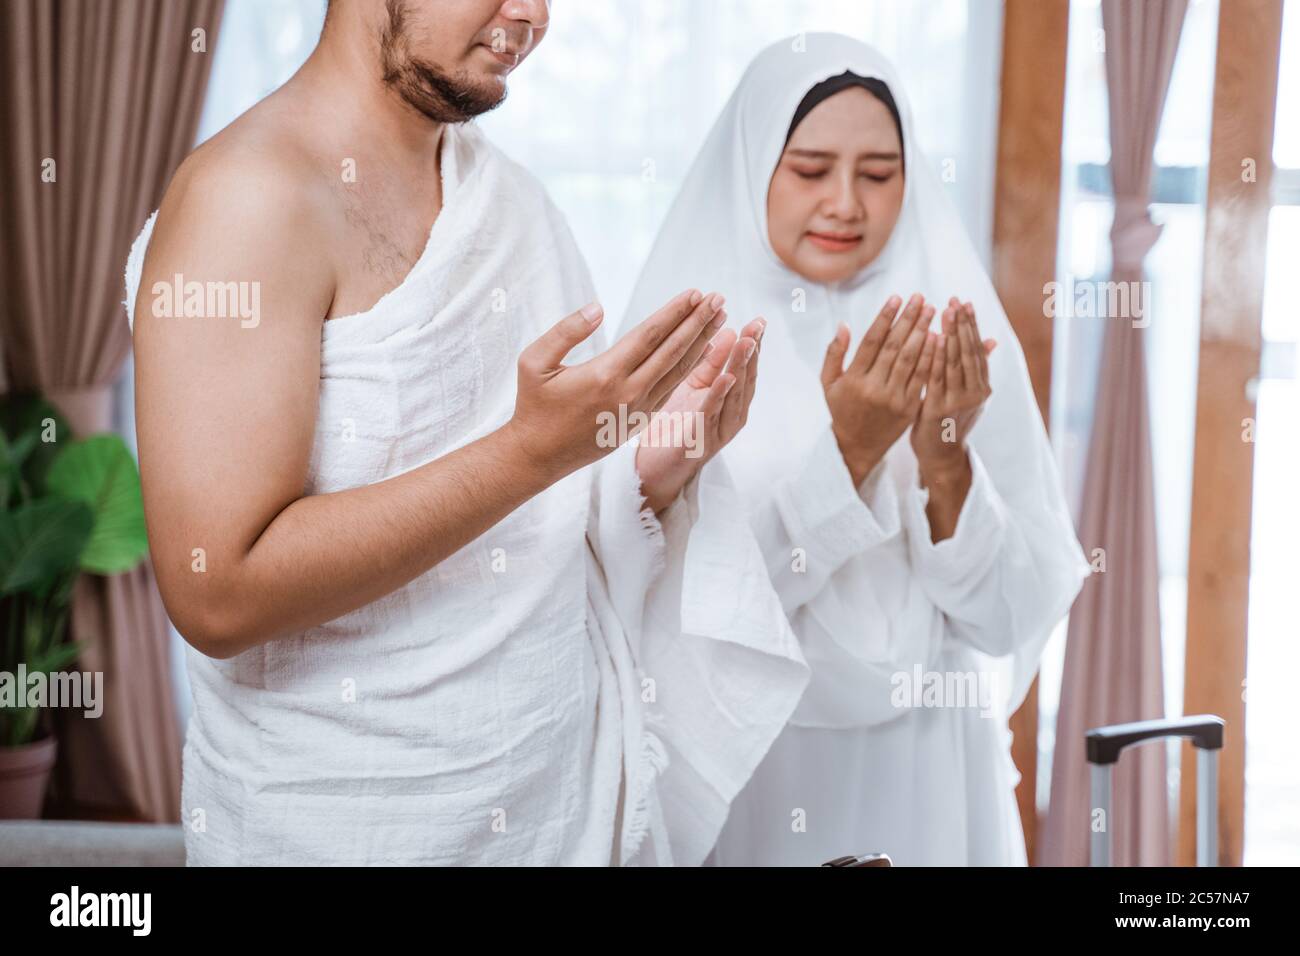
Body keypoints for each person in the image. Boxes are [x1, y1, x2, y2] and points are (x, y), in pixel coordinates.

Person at [125, 0, 809, 866]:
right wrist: (530, 453)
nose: (531, 15)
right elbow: (217, 593)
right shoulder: (246, 200)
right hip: (345, 827)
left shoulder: (507, 198)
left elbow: (549, 515)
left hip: (553, 808)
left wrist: (652, 457)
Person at [620, 33, 1089, 866]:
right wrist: (850, 450)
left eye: (878, 174)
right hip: (756, 758)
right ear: (753, 164)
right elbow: (666, 610)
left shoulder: (951, 333)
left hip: (930, 755)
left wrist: (943, 461)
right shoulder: (682, 344)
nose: (846, 203)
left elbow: (1005, 619)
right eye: (808, 170)